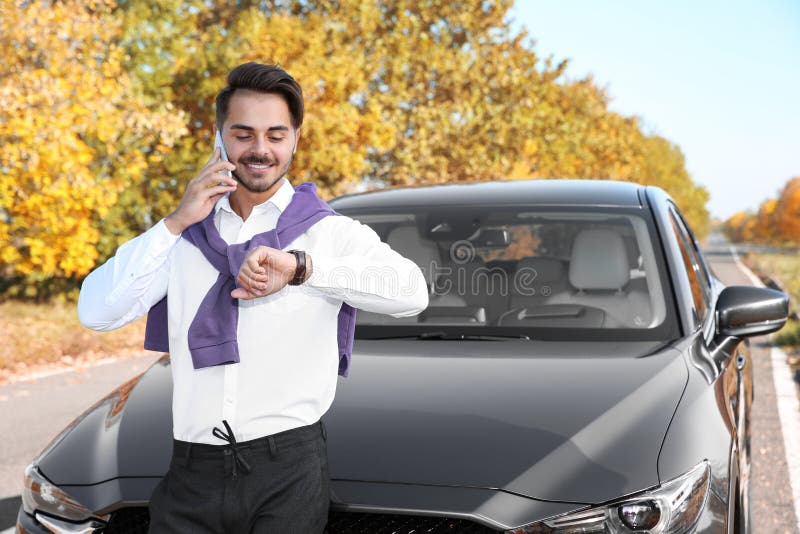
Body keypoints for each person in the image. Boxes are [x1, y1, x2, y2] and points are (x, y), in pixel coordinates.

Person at [78, 62, 428, 533]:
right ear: (219, 138)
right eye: (243, 134)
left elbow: (411, 292)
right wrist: (175, 222)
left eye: (275, 135)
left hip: (288, 469)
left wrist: (305, 268)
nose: (260, 150)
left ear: (296, 139)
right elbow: (97, 312)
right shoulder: (182, 237)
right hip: (190, 471)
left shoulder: (327, 230)